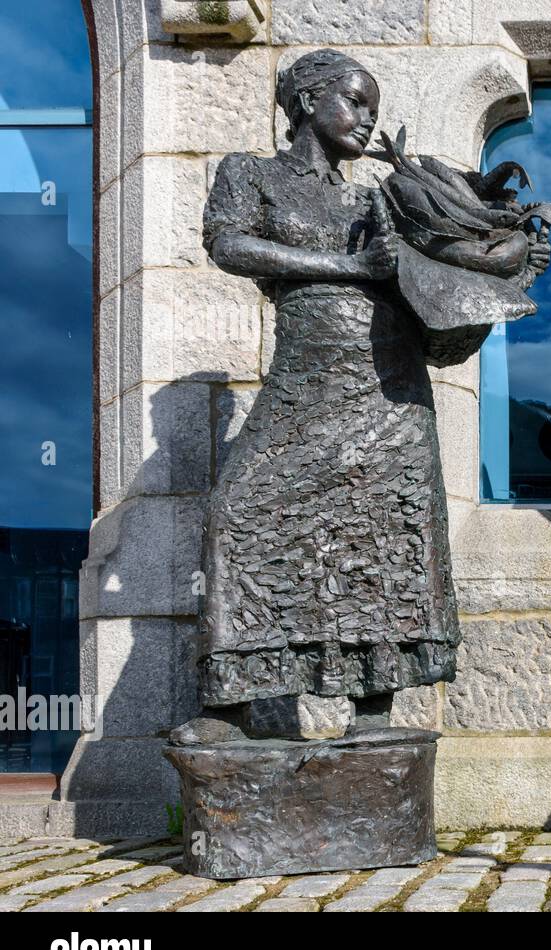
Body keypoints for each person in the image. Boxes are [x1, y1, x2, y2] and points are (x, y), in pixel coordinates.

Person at [177, 49, 457, 739]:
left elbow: (435, 316)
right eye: (356, 102)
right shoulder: (254, 175)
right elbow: (229, 243)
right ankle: (231, 710)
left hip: (388, 394)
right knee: (237, 517)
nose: (368, 120)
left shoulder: (376, 201)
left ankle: (374, 713)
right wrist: (346, 264)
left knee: (383, 541)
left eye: (375, 110)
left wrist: (498, 275)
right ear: (308, 98)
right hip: (305, 384)